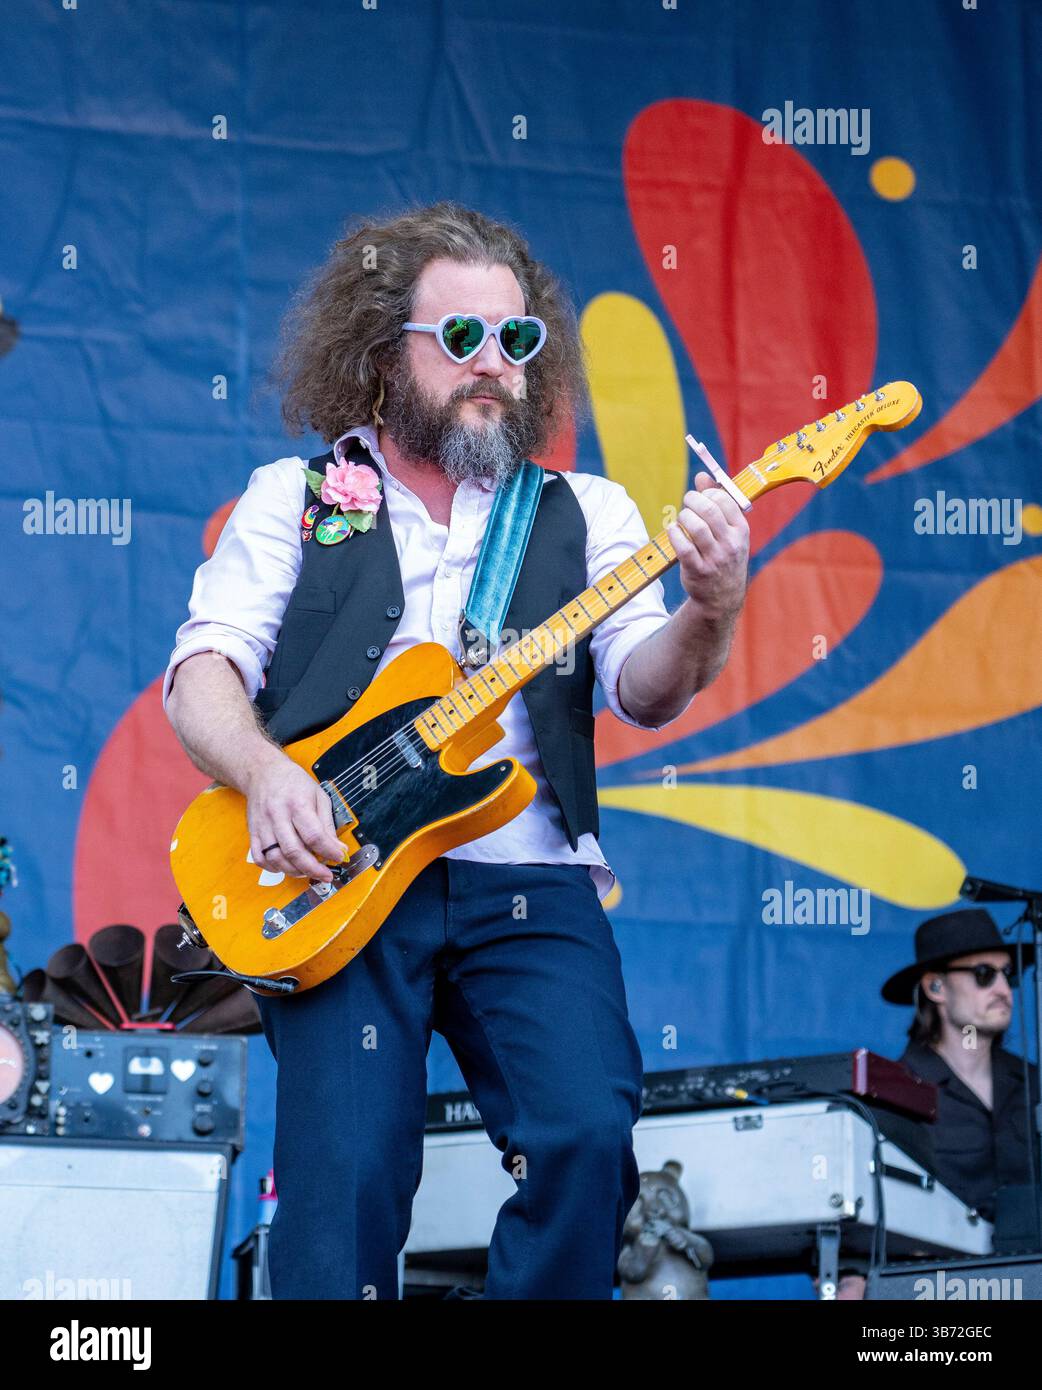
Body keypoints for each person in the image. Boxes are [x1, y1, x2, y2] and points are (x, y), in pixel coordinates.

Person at [163, 202, 750, 1299]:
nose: (494, 366)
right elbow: (204, 675)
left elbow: (643, 687)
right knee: (340, 1193)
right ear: (384, 355)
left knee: (583, 1136)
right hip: (340, 881)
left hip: (526, 876)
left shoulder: (590, 511)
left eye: (517, 341)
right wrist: (264, 772)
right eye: (463, 340)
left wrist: (711, 607)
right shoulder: (292, 499)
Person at [882, 907, 1038, 1224]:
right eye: (984, 974)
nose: (1004, 991)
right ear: (936, 988)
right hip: (940, 1273)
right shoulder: (895, 1096)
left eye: (1008, 974)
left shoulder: (1033, 1083)